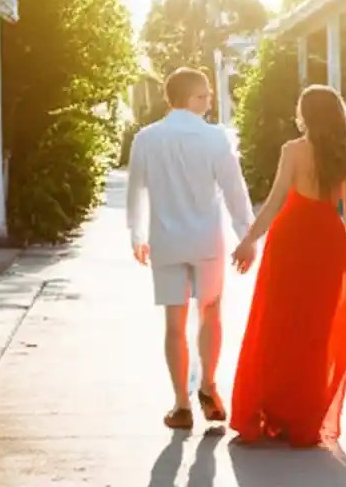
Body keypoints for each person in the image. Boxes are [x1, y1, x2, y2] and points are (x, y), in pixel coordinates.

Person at [229, 84, 346, 448]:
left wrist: (248, 240)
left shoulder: (293, 151)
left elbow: (273, 203)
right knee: (314, 331)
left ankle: (264, 409)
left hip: (290, 241)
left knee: (275, 324)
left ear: (306, 114)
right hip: (328, 243)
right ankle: (300, 418)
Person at [126, 67, 255, 430]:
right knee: (210, 311)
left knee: (173, 322)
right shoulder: (216, 138)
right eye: (205, 94)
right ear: (187, 98)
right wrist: (246, 235)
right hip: (206, 241)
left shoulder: (147, 138)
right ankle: (210, 387)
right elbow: (235, 190)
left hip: (165, 241)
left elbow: (136, 189)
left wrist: (137, 235)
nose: (210, 99)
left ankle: (181, 403)